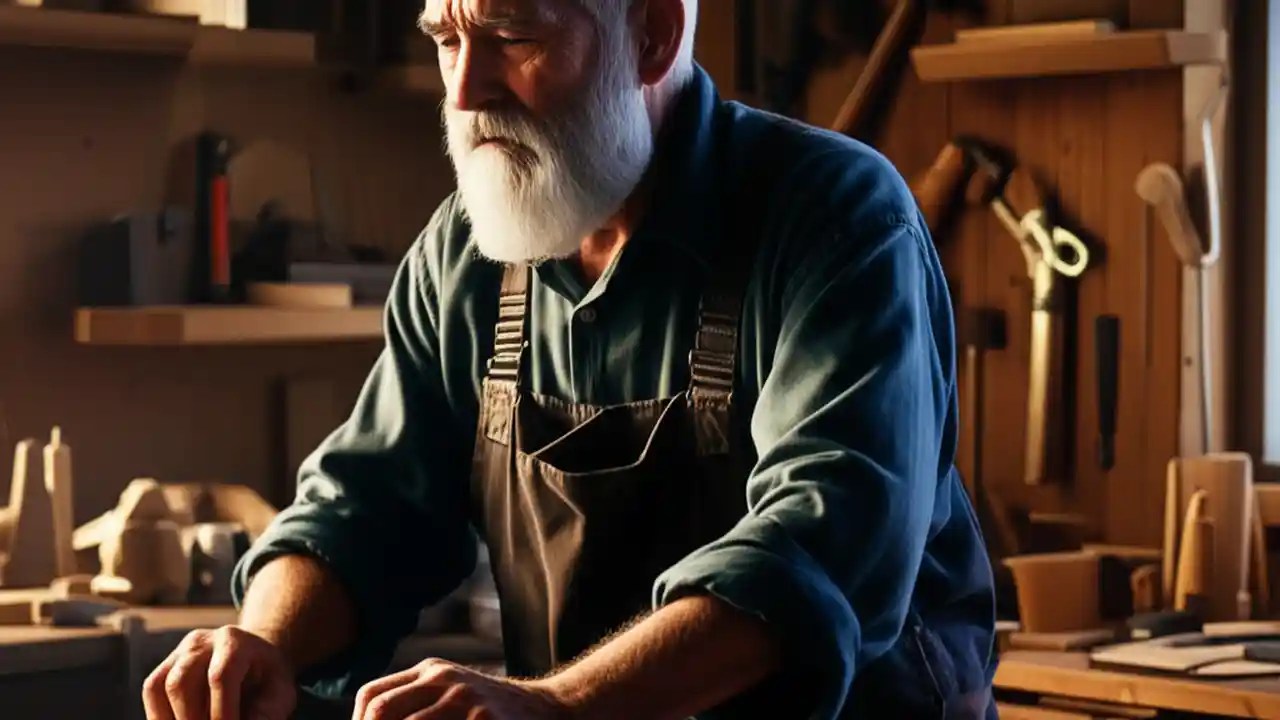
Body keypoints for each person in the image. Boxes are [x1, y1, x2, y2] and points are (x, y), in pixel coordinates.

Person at [143, 0, 999, 717]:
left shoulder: (834, 217)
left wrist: (559, 706)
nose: (467, 90)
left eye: (514, 37)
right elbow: (364, 508)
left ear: (653, 36)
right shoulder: (465, 255)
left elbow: (814, 551)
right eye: (447, 39)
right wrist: (260, 643)